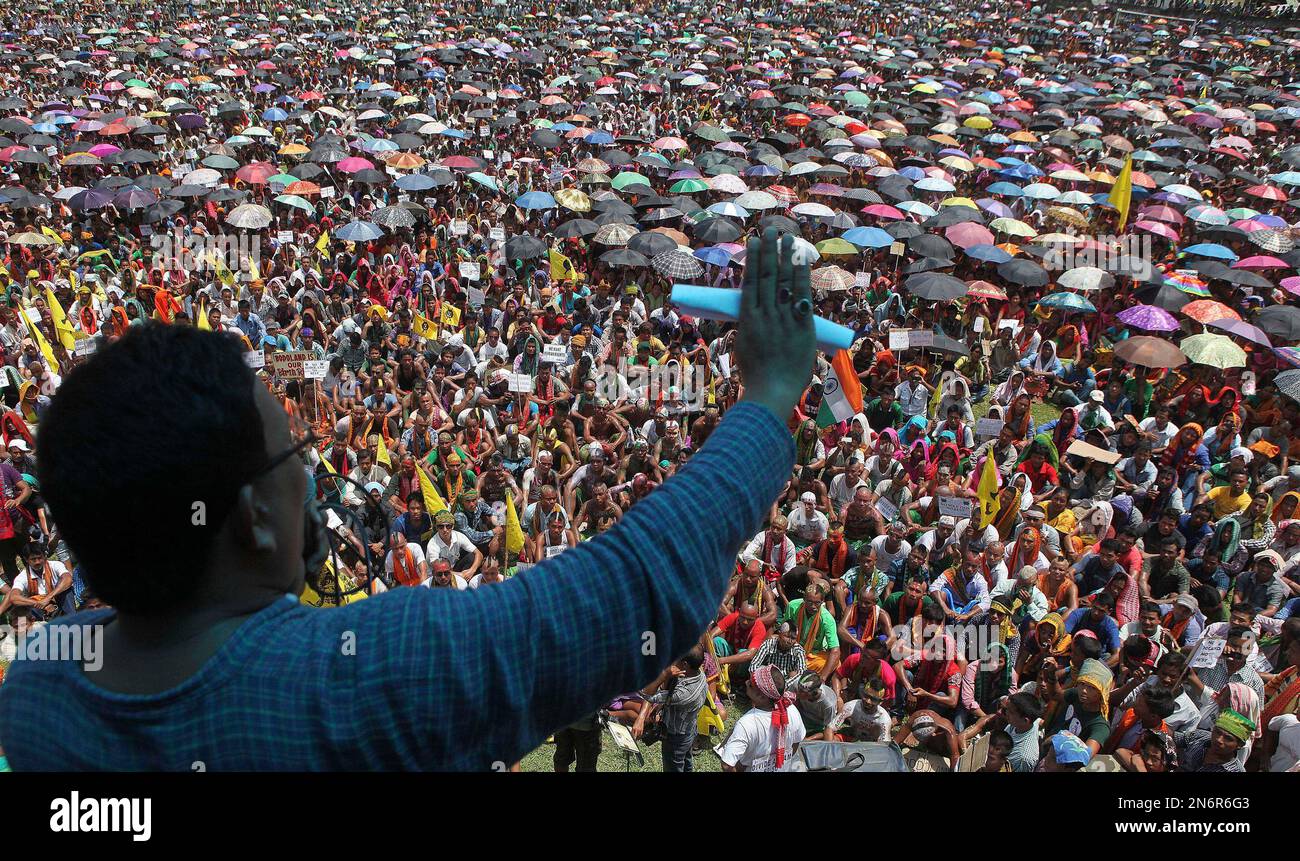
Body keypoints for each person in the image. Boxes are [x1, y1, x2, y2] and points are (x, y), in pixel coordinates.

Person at [0, 230, 818, 770]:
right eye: (294, 448)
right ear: (249, 512)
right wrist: (770, 394)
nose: (309, 474)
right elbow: (627, 591)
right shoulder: (362, 677)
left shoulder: (40, 688)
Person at [632, 647, 708, 773]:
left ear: (685, 664)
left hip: (676, 737)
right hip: (689, 729)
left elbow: (647, 695)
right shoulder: (698, 673)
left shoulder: (684, 694)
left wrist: (664, 675)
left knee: (673, 765)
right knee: (686, 762)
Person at [719, 664, 806, 772]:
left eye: (750, 684)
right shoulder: (791, 709)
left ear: (762, 696)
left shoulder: (747, 724)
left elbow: (727, 765)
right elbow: (796, 743)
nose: (746, 683)